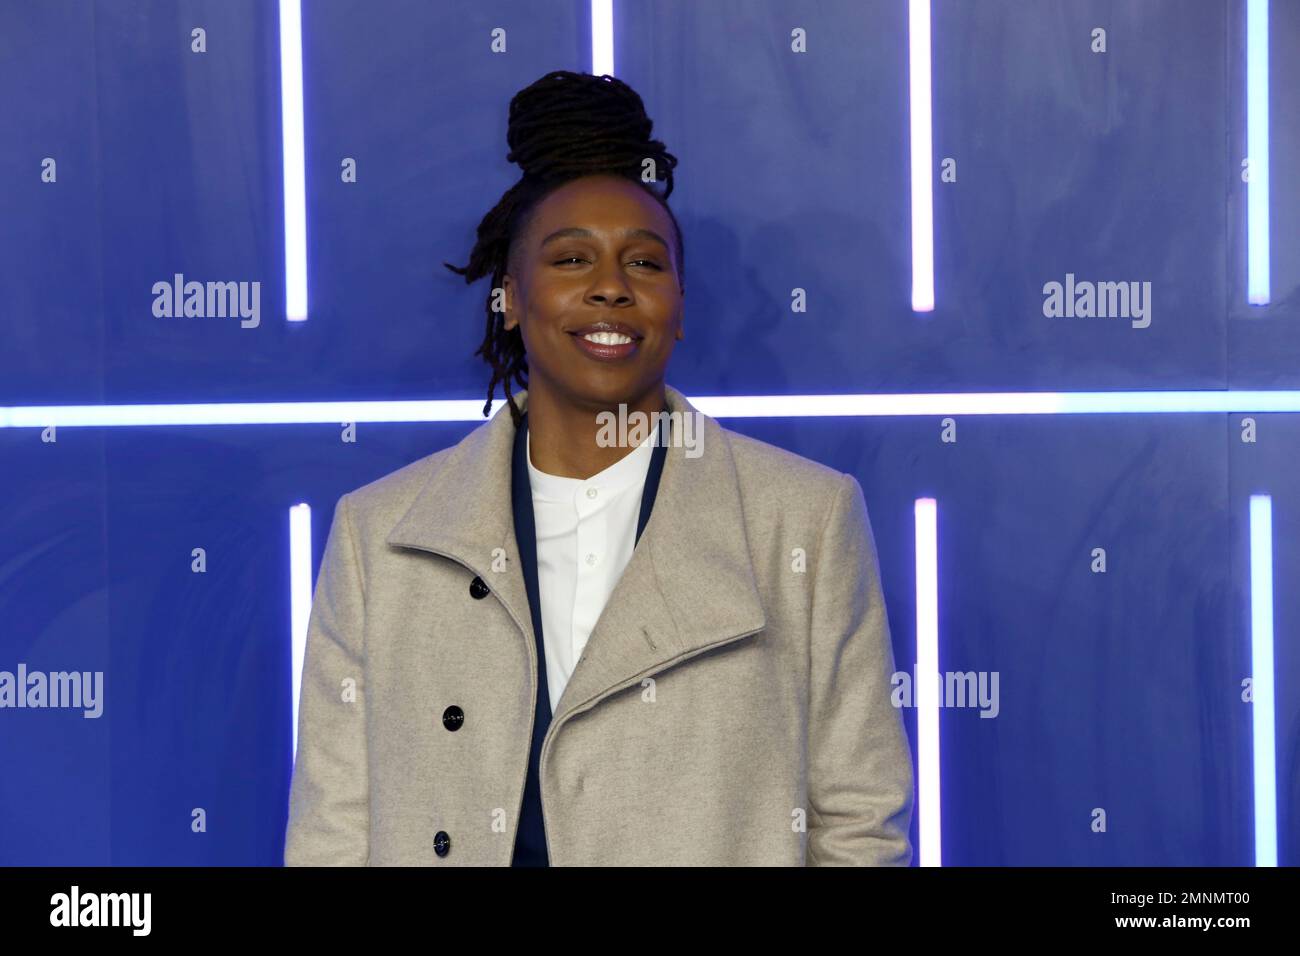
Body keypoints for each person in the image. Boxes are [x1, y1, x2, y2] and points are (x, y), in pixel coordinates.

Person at [285, 70, 913, 866]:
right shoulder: (380, 536)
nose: (612, 288)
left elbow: (857, 824)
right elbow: (332, 836)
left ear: (679, 306)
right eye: (572, 259)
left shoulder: (806, 521)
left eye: (645, 265)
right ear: (508, 298)